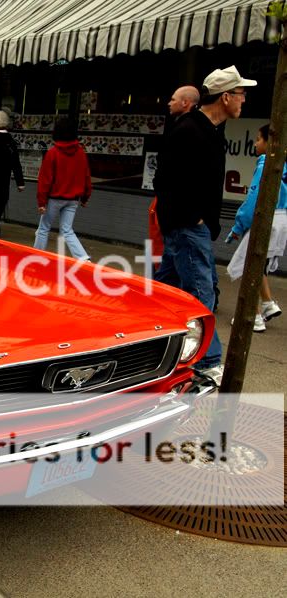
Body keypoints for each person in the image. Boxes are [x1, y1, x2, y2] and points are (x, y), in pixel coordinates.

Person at [153, 65, 257, 385]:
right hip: (187, 227)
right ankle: (208, 359)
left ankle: (150, 341)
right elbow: (164, 179)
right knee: (200, 293)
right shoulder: (189, 130)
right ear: (225, 97)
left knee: (165, 293)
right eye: (240, 94)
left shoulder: (210, 131)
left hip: (191, 227)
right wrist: (190, 218)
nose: (244, 100)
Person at [225, 123, 287, 332]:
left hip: (266, 219)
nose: (255, 143)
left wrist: (239, 224)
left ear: (270, 143)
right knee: (258, 265)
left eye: (259, 139)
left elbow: (254, 199)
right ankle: (268, 304)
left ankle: (252, 316)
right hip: (282, 220)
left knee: (248, 265)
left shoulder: (265, 164)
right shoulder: (284, 166)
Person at [148, 86, 201, 267]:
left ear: (185, 103)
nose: (169, 103)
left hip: (175, 212)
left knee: (170, 262)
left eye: (173, 99)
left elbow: (172, 170)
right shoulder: (187, 127)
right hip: (174, 209)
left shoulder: (185, 129)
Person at [33, 117, 91, 261]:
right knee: (67, 230)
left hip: (54, 198)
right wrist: (85, 197)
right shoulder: (81, 153)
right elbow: (86, 177)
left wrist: (41, 202)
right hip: (73, 200)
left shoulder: (53, 153)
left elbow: (45, 180)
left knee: (44, 228)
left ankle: (35, 257)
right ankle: (83, 258)